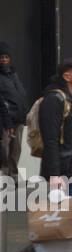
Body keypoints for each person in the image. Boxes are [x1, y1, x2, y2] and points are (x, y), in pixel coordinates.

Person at [12, 59, 72, 252]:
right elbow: (51, 140)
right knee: (62, 221)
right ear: (67, 76)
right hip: (62, 171)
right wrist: (55, 174)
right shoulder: (54, 100)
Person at [0, 43, 26, 177]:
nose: (4, 59)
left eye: (6, 57)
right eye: (1, 57)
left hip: (18, 120)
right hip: (5, 122)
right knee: (3, 150)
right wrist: (8, 122)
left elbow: (20, 96)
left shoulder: (14, 74)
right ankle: (4, 178)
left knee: (16, 151)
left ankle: (13, 177)